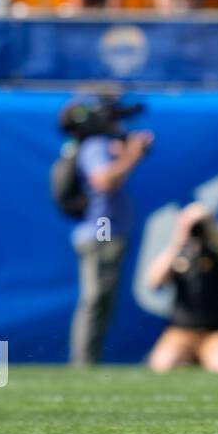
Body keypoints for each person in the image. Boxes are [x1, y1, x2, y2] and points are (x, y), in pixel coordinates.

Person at [62, 95, 153, 365]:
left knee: (103, 302)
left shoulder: (98, 144)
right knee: (94, 300)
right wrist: (133, 155)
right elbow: (104, 181)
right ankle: (83, 363)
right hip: (100, 235)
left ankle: (89, 360)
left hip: (106, 234)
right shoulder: (95, 145)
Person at [144, 202, 218, 372]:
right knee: (163, 365)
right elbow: (155, 281)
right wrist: (180, 237)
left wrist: (210, 226)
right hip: (180, 330)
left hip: (217, 331)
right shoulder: (178, 252)